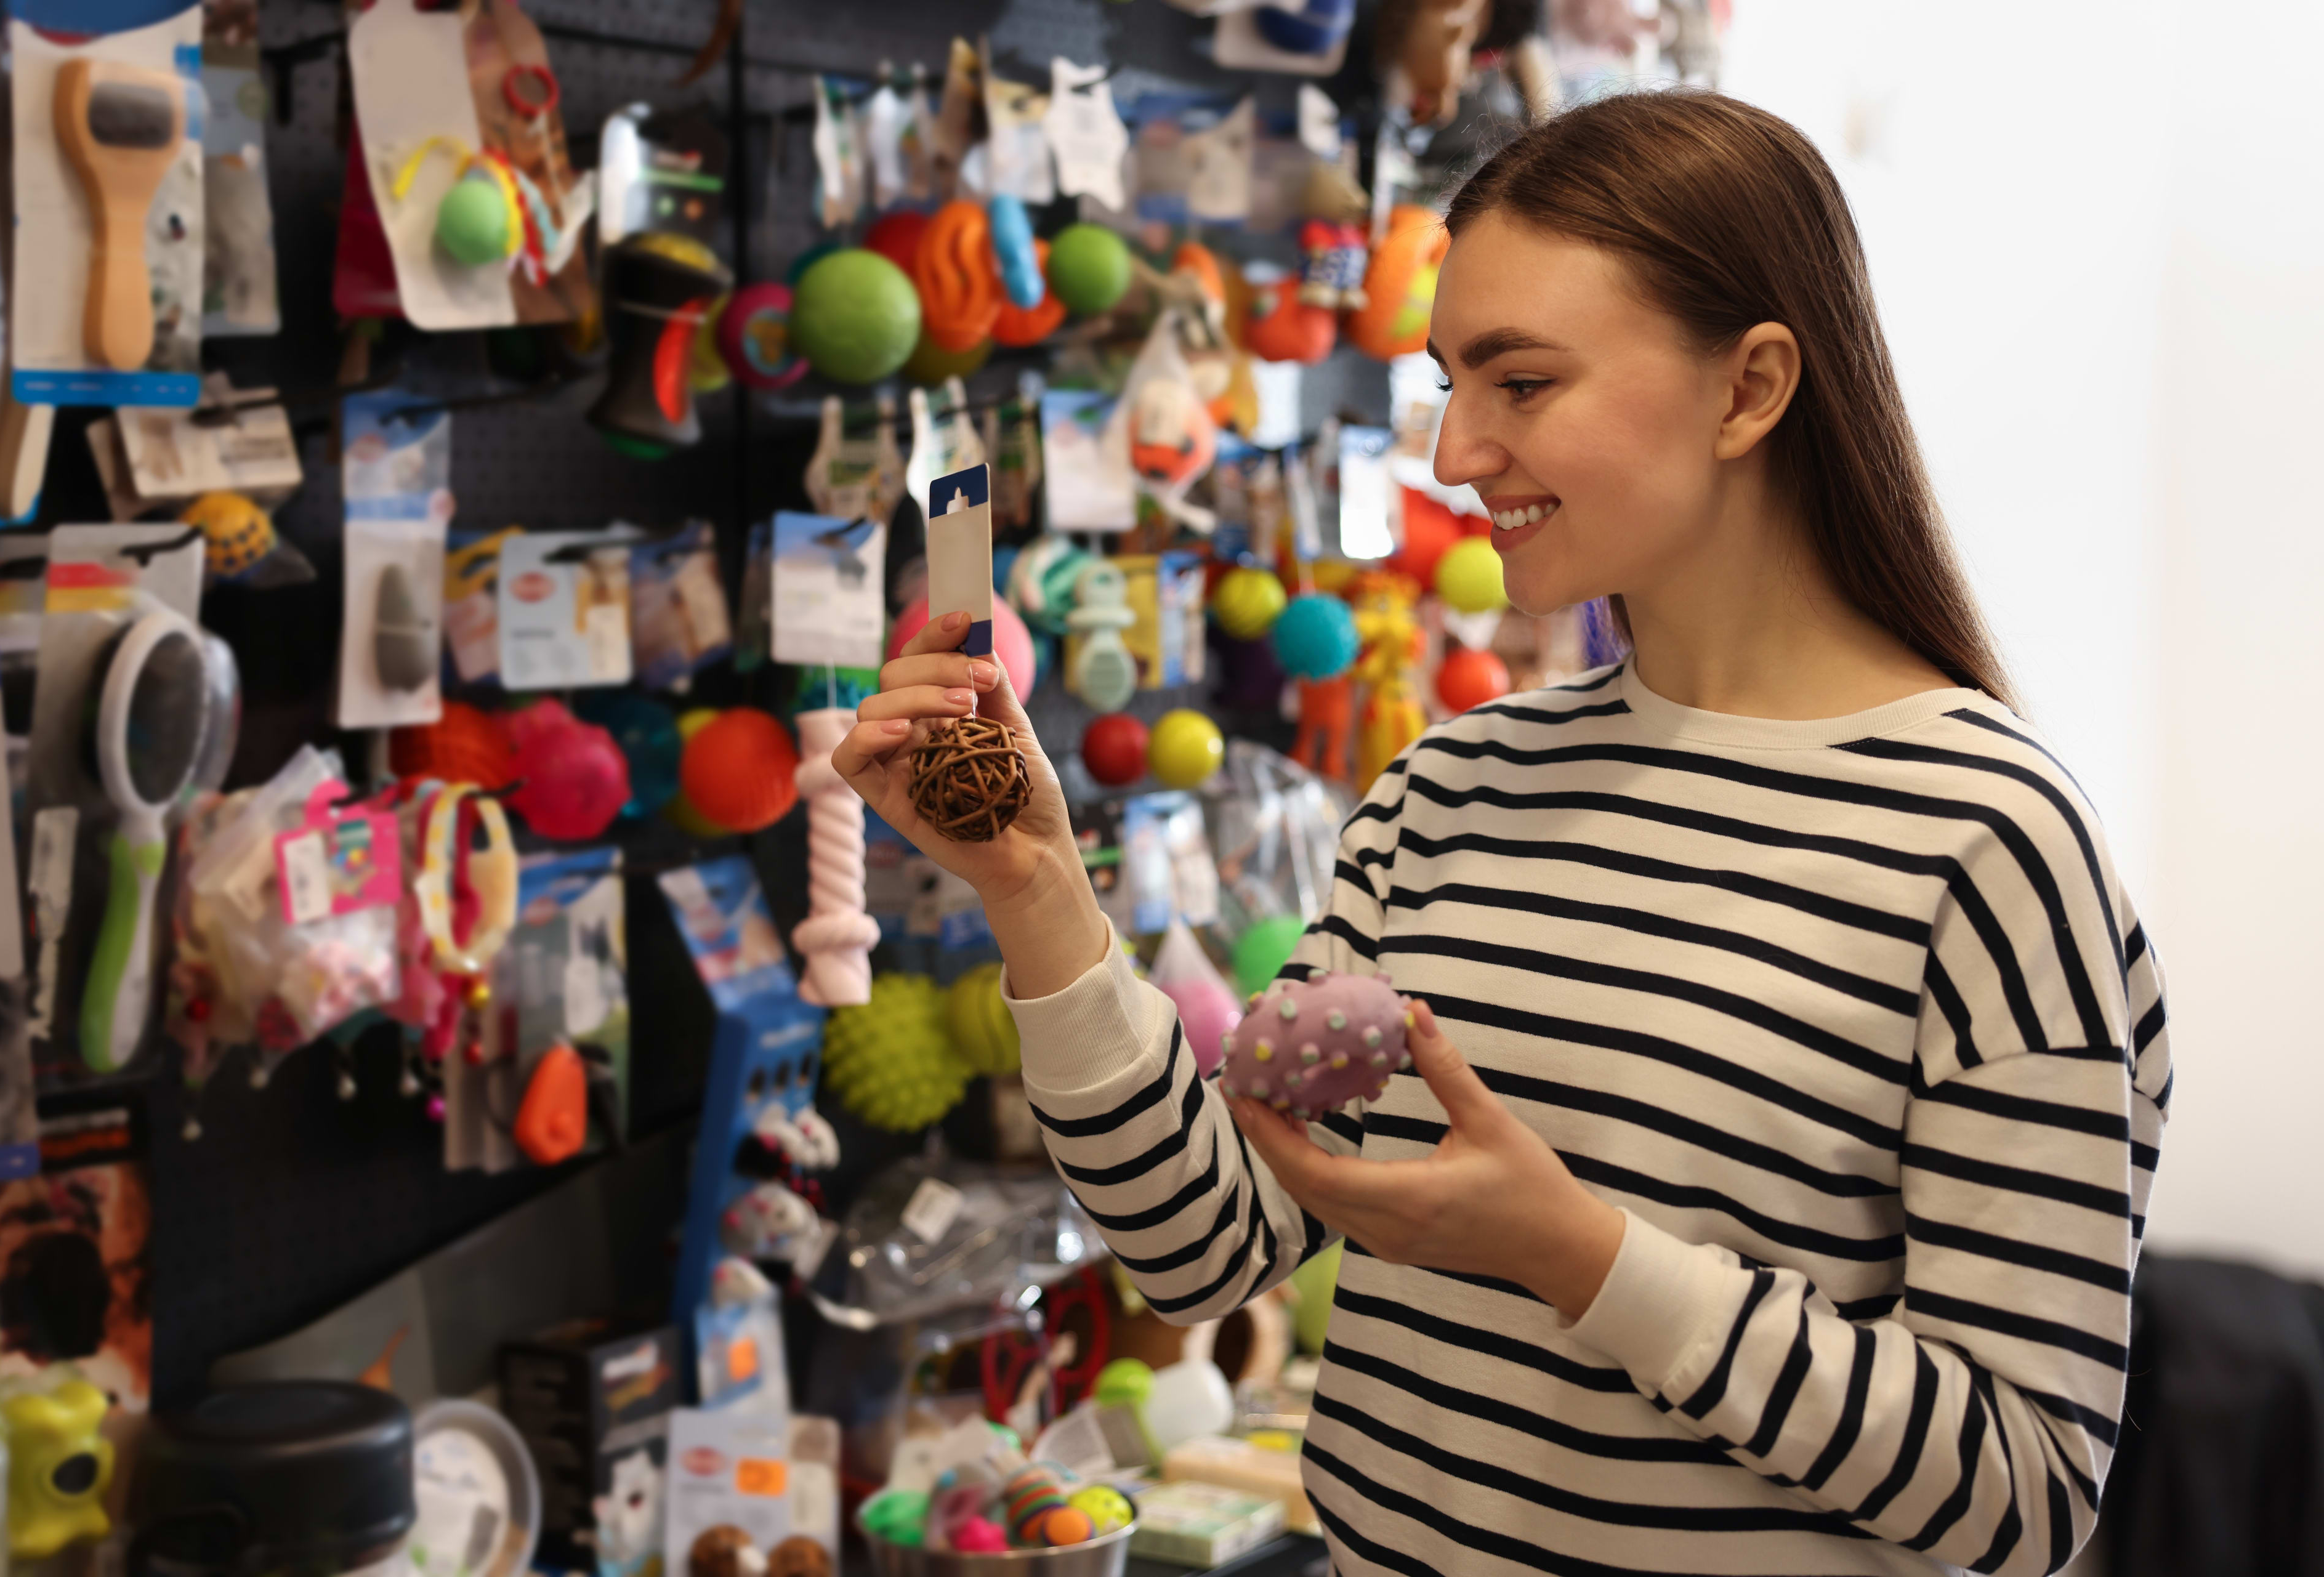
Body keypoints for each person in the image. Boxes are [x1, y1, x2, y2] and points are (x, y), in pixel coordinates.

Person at [836, 89, 2169, 1577]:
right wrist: (1037, 893)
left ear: (1752, 389)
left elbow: (2026, 1494)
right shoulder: (1452, 789)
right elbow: (1207, 1244)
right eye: (1447, 384)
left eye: (1521, 383)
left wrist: (1577, 1255)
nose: (1456, 451)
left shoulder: (1988, 842)